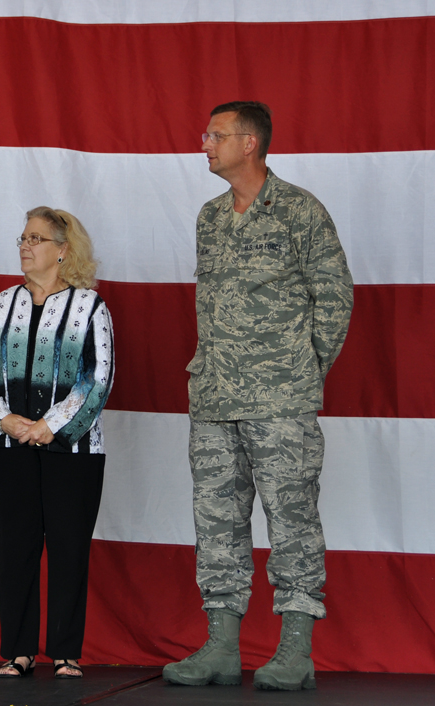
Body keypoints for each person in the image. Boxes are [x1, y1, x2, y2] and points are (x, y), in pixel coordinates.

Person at [162, 102, 353, 691]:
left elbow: (335, 297)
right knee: (217, 523)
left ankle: (295, 651)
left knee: (292, 522)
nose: (205, 144)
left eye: (215, 135)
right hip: (214, 398)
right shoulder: (210, 217)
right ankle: (221, 647)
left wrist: (301, 373)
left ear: (250, 143)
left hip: (280, 401)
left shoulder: (299, 210)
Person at [0, 206, 114, 679]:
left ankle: (66, 653)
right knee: (16, 548)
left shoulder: (89, 306)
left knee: (70, 548)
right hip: (7, 448)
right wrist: (5, 421)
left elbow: (98, 377)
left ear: (63, 249)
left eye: (36, 238)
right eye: (23, 238)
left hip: (73, 451)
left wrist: (51, 425)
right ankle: (19, 651)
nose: (25, 246)